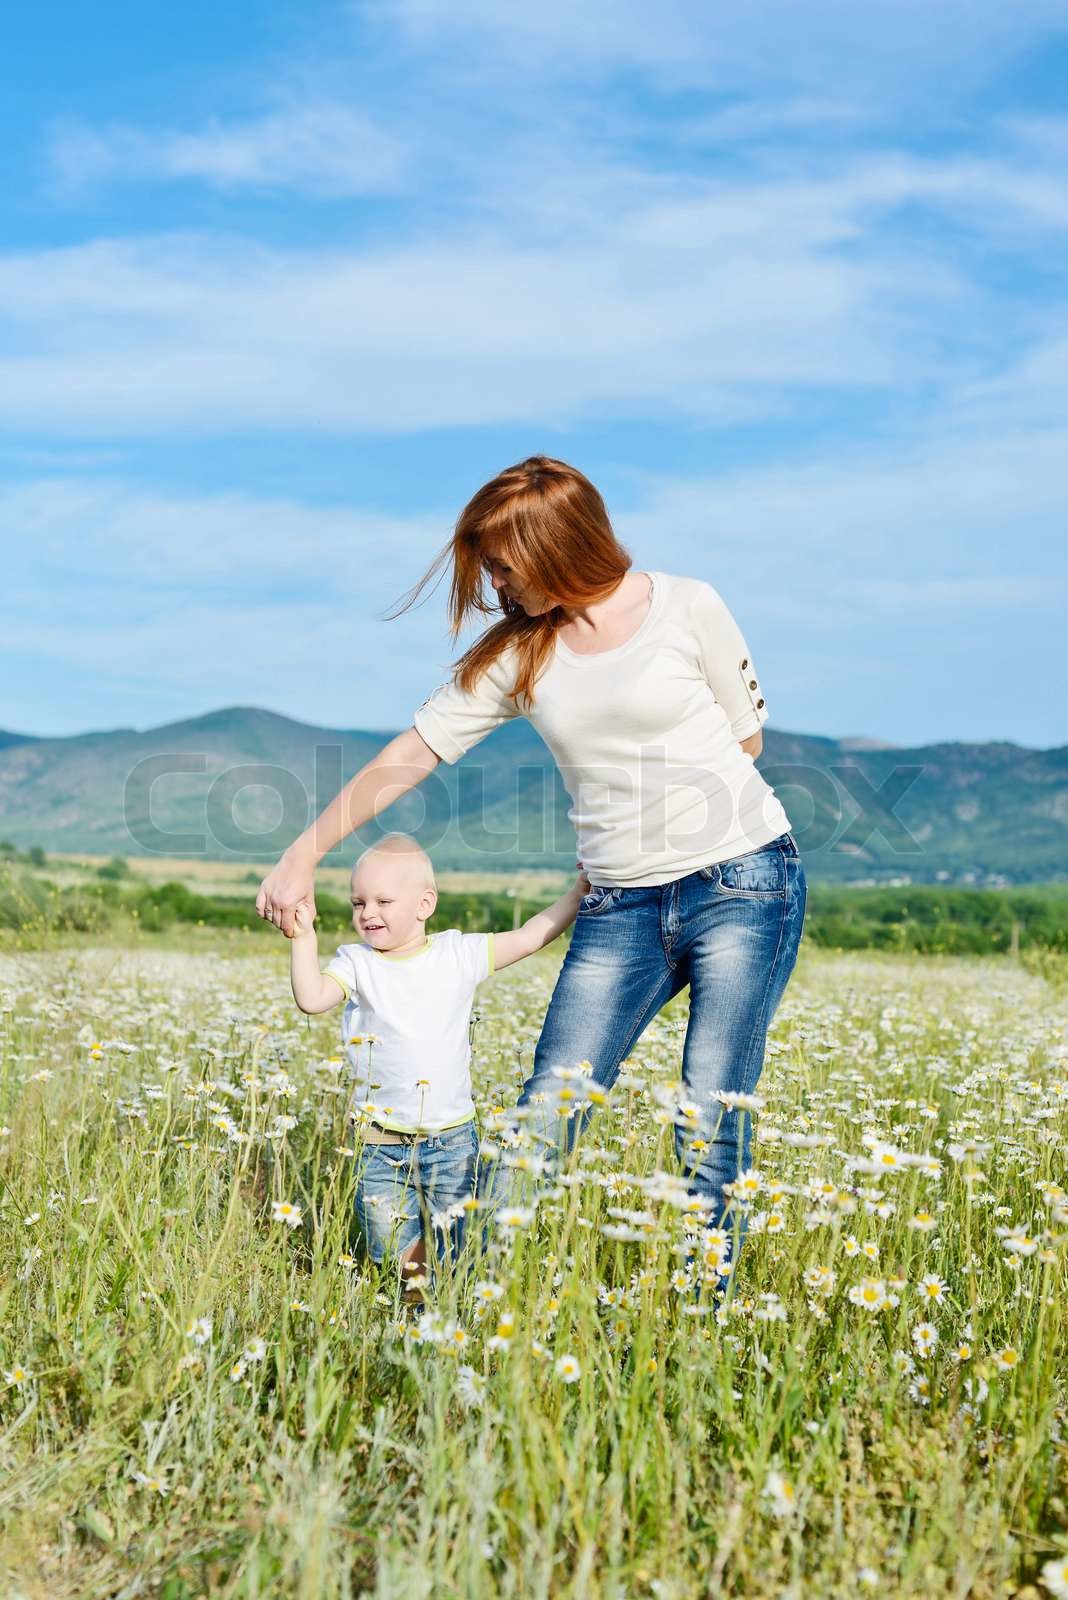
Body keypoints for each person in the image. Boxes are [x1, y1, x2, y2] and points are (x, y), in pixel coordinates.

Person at [258, 455, 807, 1287]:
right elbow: (414, 753)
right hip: (619, 905)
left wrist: (665, 818)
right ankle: (456, 1295)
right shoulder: (525, 652)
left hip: (742, 883)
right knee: (548, 1104)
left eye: (505, 568)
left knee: (709, 1109)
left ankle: (705, 1305)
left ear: (557, 548)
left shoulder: (689, 605)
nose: (495, 588)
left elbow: (748, 740)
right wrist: (306, 849)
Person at [283, 829, 587, 1290]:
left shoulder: (457, 953)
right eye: (358, 902)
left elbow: (527, 938)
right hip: (376, 1142)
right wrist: (303, 937)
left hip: (451, 1140)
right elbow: (311, 998)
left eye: (383, 901)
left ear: (424, 905)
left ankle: (446, 1304)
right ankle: (419, 1299)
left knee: (457, 1238)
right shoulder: (356, 962)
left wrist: (578, 893)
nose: (368, 913)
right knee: (387, 1248)